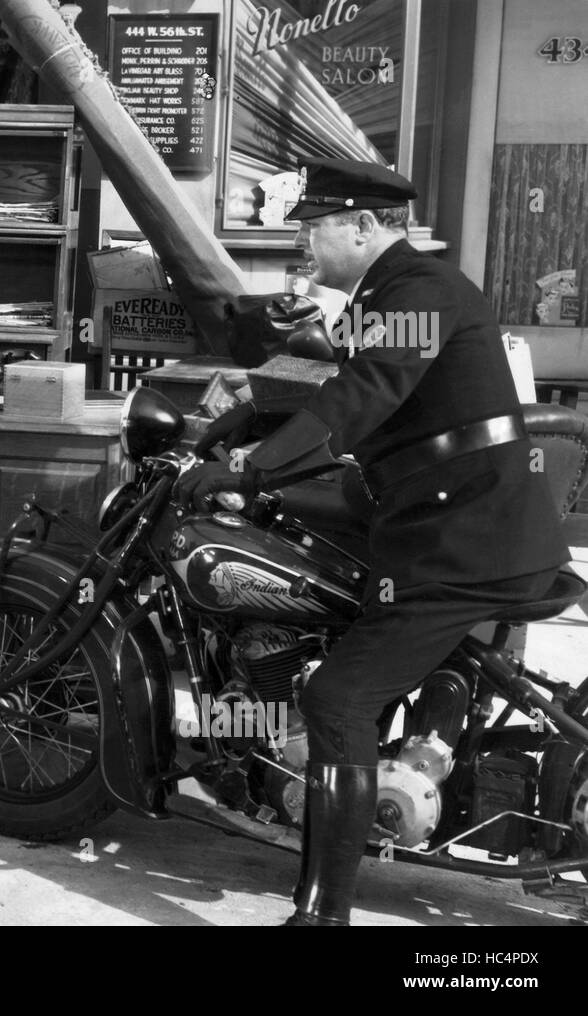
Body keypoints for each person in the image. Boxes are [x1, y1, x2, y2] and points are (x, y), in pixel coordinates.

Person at [178, 158, 570, 926]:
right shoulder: (393, 290)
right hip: (447, 517)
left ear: (362, 226)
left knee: (337, 696)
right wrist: (250, 407)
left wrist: (250, 470)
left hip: (461, 538)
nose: (304, 244)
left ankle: (322, 915)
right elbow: (340, 369)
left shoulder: (416, 291)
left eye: (313, 229)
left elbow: (364, 394)